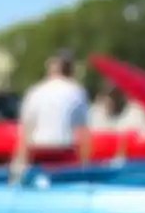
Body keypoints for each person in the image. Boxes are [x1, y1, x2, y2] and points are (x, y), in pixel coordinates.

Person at [12, 50, 90, 179]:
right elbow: (84, 133)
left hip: (38, 152)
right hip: (65, 152)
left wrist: (18, 167)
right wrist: (85, 167)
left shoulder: (35, 91)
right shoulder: (77, 91)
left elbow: (26, 132)